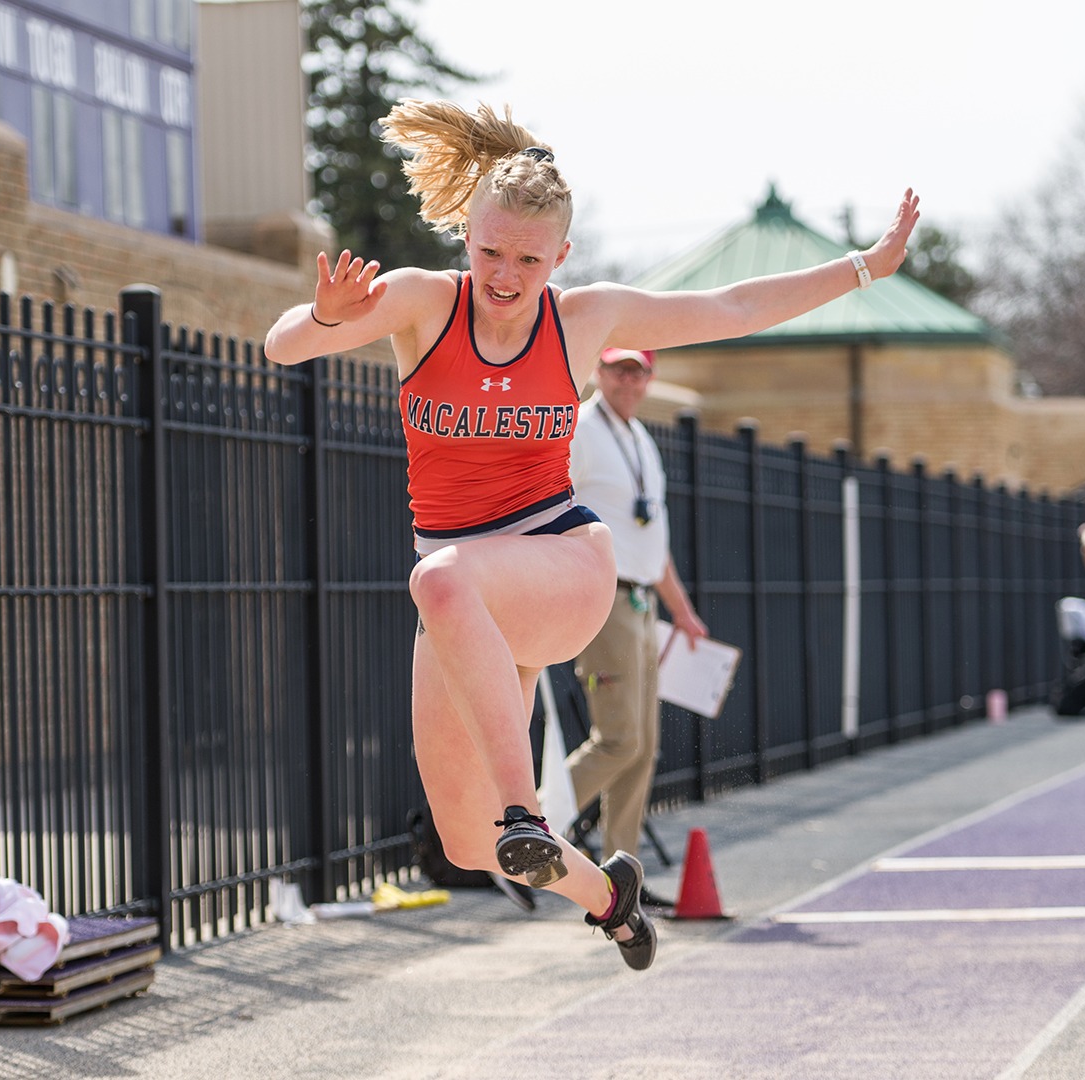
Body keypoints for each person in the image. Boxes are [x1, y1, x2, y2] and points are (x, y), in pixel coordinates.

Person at [261, 99, 919, 971]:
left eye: (528, 261)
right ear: (467, 234)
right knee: (465, 841)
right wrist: (330, 317)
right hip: (470, 595)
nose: (504, 277)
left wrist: (863, 269)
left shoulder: (584, 322)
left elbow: (730, 305)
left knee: (438, 586)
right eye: (490, 252)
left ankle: (527, 810)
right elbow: (280, 348)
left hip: (560, 562)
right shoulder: (423, 304)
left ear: (561, 257)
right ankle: (610, 897)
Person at [565, 348, 706, 900]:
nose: (628, 378)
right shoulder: (578, 428)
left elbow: (653, 539)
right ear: (599, 372)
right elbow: (551, 506)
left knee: (643, 747)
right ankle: (513, 830)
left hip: (643, 602)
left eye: (638, 370)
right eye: (618, 368)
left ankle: (621, 875)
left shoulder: (641, 440)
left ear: (650, 379)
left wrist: (684, 611)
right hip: (607, 597)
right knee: (620, 740)